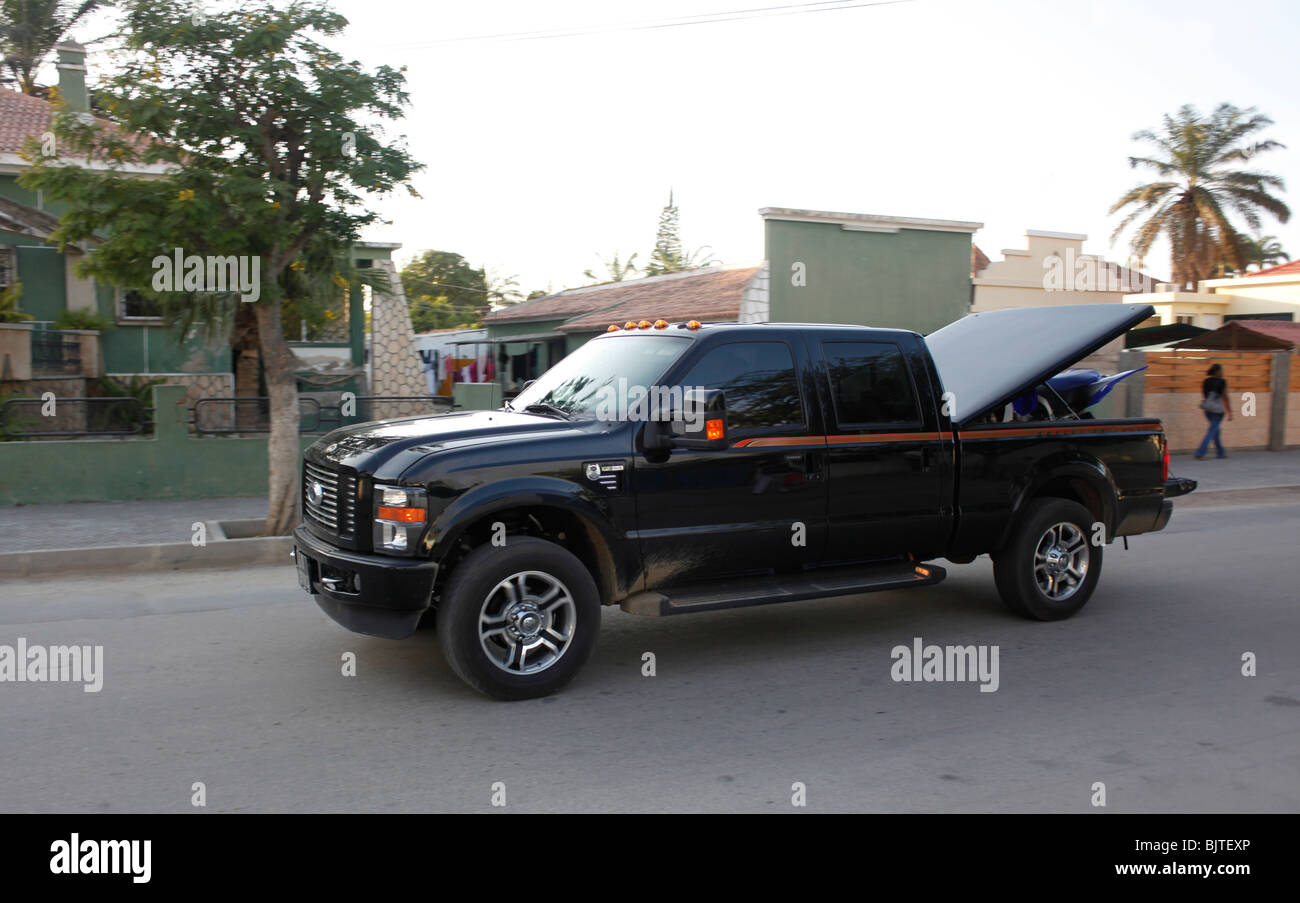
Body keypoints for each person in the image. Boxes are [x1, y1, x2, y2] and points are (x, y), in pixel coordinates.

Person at [1195, 363, 1231, 460]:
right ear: (1218, 371)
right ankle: (1200, 453)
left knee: (1215, 430)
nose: (1223, 372)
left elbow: (1205, 396)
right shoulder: (1222, 381)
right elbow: (1225, 397)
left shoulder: (1206, 381)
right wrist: (1229, 412)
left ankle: (1221, 453)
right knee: (1212, 431)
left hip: (1207, 410)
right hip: (1218, 411)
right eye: (1222, 370)